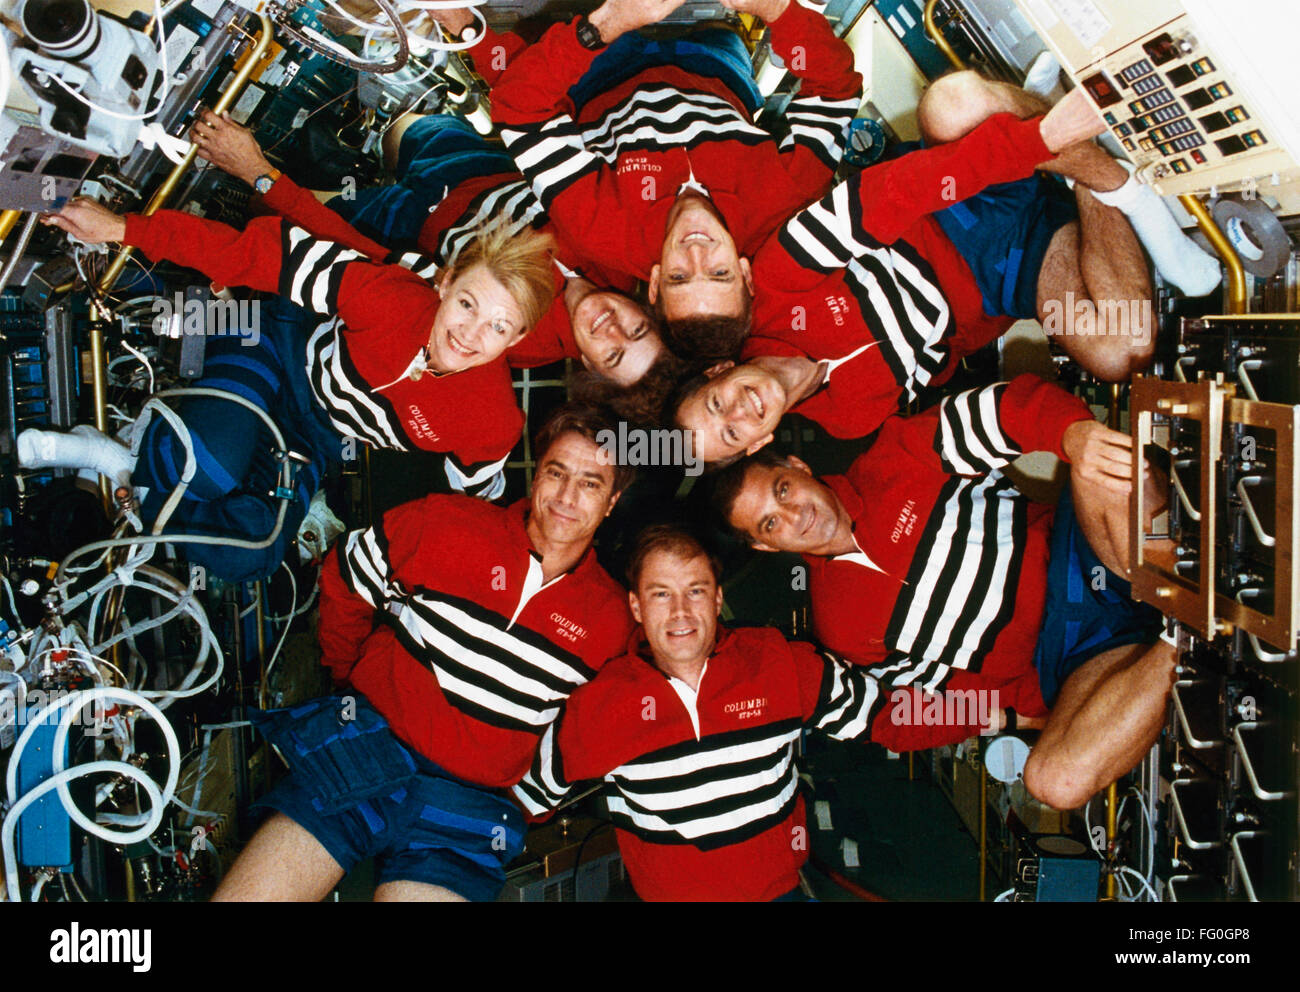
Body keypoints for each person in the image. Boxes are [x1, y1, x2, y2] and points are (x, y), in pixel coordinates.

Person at [211, 404, 638, 901]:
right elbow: (346, 573)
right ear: (537, 471)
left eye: (590, 483)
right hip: (365, 753)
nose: (566, 496)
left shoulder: (613, 620)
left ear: (612, 501)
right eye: (557, 472)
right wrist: (348, 677)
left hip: (465, 807)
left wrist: (524, 801)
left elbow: (586, 734)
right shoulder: (447, 523)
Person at [24, 195, 554, 580]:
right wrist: (121, 227)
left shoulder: (492, 420)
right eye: (467, 304)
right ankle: (130, 456)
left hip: (314, 440)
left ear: (521, 338)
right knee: (207, 465)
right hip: (276, 348)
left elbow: (480, 514)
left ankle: (123, 470)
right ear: (445, 284)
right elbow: (254, 254)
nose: (470, 334)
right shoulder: (389, 296)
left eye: (499, 328)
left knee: (251, 552)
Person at [712, 374, 1176, 809]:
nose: (795, 516)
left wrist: (1071, 434)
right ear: (764, 544)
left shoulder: (894, 459)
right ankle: (1185, 641)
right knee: (1055, 783)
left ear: (798, 466)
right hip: (1074, 659)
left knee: (1104, 471)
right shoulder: (841, 627)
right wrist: (1022, 715)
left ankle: (1195, 594)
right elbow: (911, 712)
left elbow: (999, 413)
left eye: (784, 489)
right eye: (771, 523)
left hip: (1087, 551)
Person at [667, 88, 1171, 464]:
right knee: (1119, 348)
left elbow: (896, 191)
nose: (738, 412)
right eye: (732, 434)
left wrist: (1028, 142)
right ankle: (1092, 169)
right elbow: (948, 356)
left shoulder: (772, 285)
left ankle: (1068, 144)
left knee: (950, 102)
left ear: (718, 372)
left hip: (959, 198)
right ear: (760, 443)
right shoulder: (850, 419)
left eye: (716, 404)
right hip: (1013, 274)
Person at [514, 524, 888, 900]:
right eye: (661, 594)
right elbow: (517, 800)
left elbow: (890, 717)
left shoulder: (779, 664)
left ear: (717, 598)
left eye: (696, 590)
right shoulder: (598, 706)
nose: (680, 612)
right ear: (636, 606)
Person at [192, 104, 670, 388]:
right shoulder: (625, 252)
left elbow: (366, 257)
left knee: (307, 213)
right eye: (636, 332)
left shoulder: (519, 336)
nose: (613, 331)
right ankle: (356, 165)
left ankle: (333, 183)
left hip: (406, 227)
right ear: (648, 309)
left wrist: (257, 172)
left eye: (612, 355)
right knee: (404, 126)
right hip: (472, 164)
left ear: (588, 364)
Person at [489, 0, 864, 347]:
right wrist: (776, 10)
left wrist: (606, 24)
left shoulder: (602, 232)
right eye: (720, 273)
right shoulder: (784, 205)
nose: (696, 251)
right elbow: (836, 94)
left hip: (602, 69)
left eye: (678, 277)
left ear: (654, 285)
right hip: (718, 56)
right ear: (745, 273)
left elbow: (519, 110)